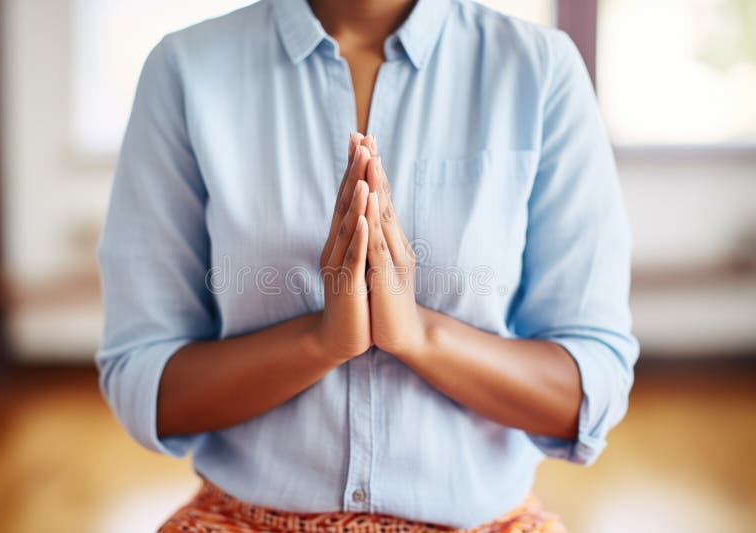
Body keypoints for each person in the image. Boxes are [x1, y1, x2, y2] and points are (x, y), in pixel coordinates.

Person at [96, 0, 639, 531]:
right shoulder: (187, 68)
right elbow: (145, 380)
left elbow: (588, 389)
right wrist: (321, 341)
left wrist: (419, 334)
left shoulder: (539, 68)